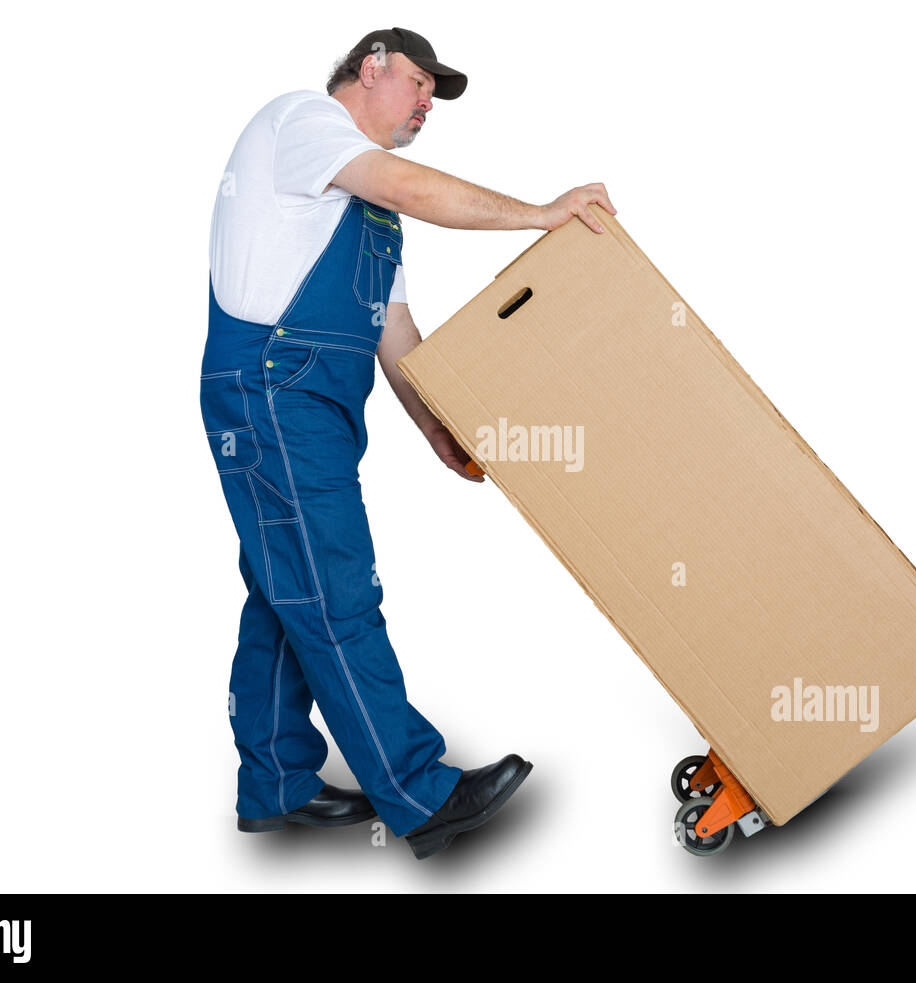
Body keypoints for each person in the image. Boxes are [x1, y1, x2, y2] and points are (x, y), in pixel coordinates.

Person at [201, 25, 616, 860]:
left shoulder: (375, 213)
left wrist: (436, 426)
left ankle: (275, 781)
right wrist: (541, 215)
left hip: (311, 408)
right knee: (335, 589)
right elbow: (414, 185)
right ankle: (421, 793)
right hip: (271, 395)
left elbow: (395, 332)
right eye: (421, 83)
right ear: (372, 64)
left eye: (434, 96)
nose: (428, 104)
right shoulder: (305, 124)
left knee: (288, 589)